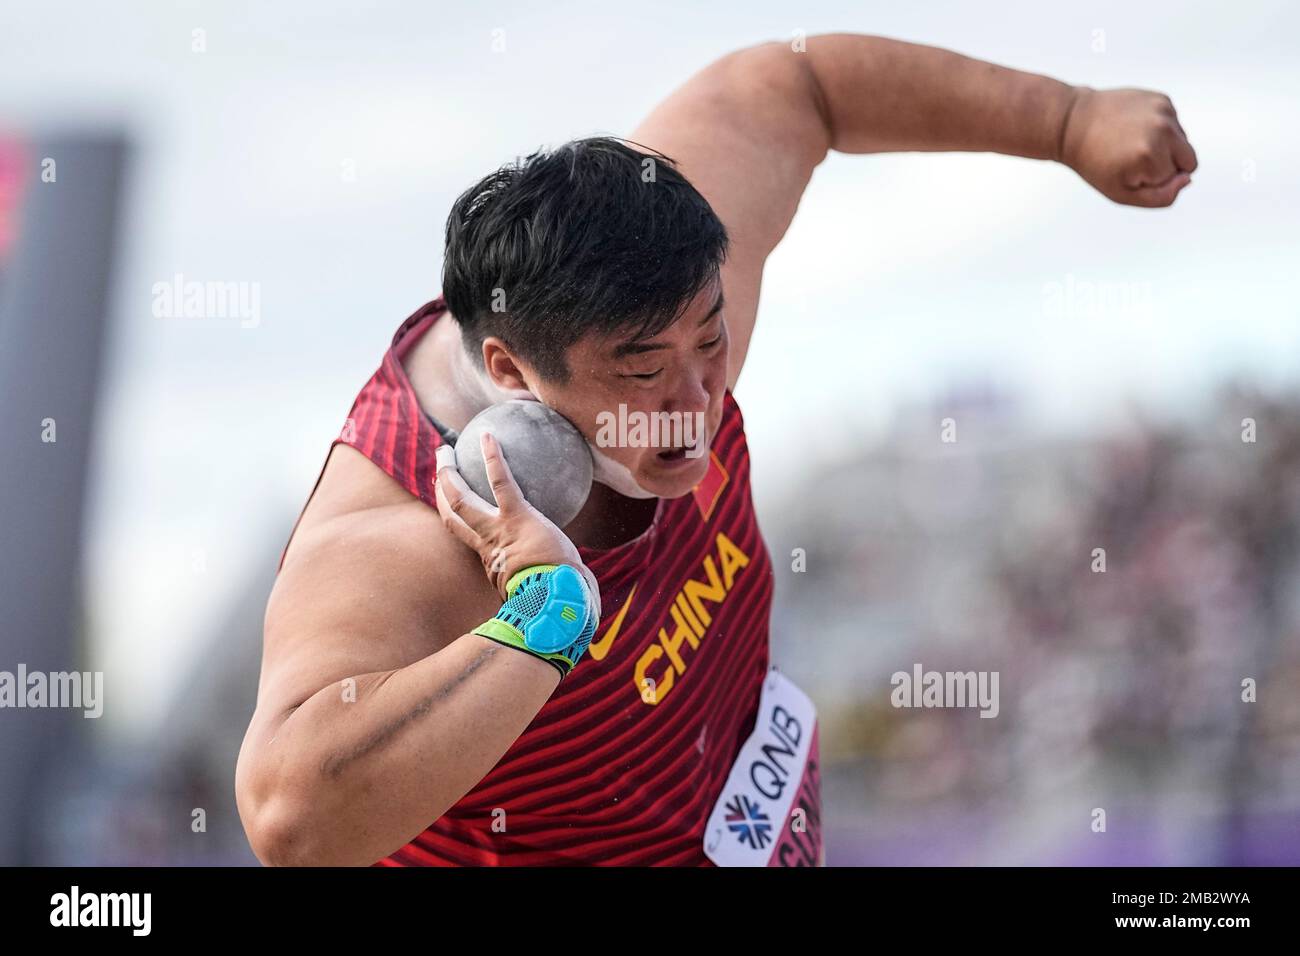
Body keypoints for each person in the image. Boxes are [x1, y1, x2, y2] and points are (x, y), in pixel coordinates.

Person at [234, 33, 1196, 866]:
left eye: (712, 338)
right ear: (513, 371)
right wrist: (543, 622)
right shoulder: (402, 535)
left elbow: (801, 85)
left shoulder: (678, 254)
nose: (696, 404)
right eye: (642, 370)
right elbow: (293, 822)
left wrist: (1070, 119)